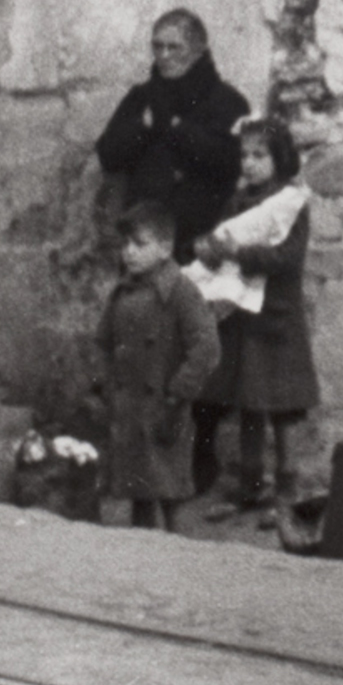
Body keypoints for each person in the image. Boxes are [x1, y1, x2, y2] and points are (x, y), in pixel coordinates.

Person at [190, 116, 319, 528]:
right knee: (249, 402)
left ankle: (287, 492)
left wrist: (239, 253)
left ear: (279, 158)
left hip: (277, 317)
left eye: (259, 155)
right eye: (244, 155)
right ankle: (250, 488)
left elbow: (288, 258)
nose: (248, 163)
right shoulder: (237, 201)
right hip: (243, 316)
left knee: (281, 408)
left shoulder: (291, 203)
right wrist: (209, 249)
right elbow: (222, 239)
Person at [96, 202, 220, 532]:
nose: (129, 252)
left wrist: (178, 392)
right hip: (131, 410)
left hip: (166, 409)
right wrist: (109, 387)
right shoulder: (122, 292)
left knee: (170, 491)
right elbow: (104, 342)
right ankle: (143, 552)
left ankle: (177, 552)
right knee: (139, 493)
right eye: (125, 244)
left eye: (140, 244)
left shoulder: (181, 292)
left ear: (165, 248)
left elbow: (206, 348)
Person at [93, 9, 249, 266]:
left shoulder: (227, 101)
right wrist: (143, 127)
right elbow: (108, 155)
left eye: (174, 47)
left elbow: (232, 161)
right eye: (157, 46)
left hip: (201, 240)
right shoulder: (142, 97)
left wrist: (177, 128)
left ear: (198, 50)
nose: (164, 55)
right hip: (144, 242)